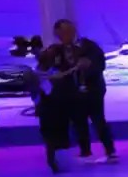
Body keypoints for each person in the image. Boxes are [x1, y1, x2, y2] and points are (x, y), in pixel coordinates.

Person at [48, 19, 116, 163]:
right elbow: (51, 68)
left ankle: (110, 151)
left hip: (93, 91)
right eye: (62, 32)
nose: (66, 35)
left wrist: (86, 69)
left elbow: (99, 64)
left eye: (69, 31)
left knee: (98, 120)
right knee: (79, 122)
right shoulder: (57, 51)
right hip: (72, 94)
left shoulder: (89, 46)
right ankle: (85, 151)